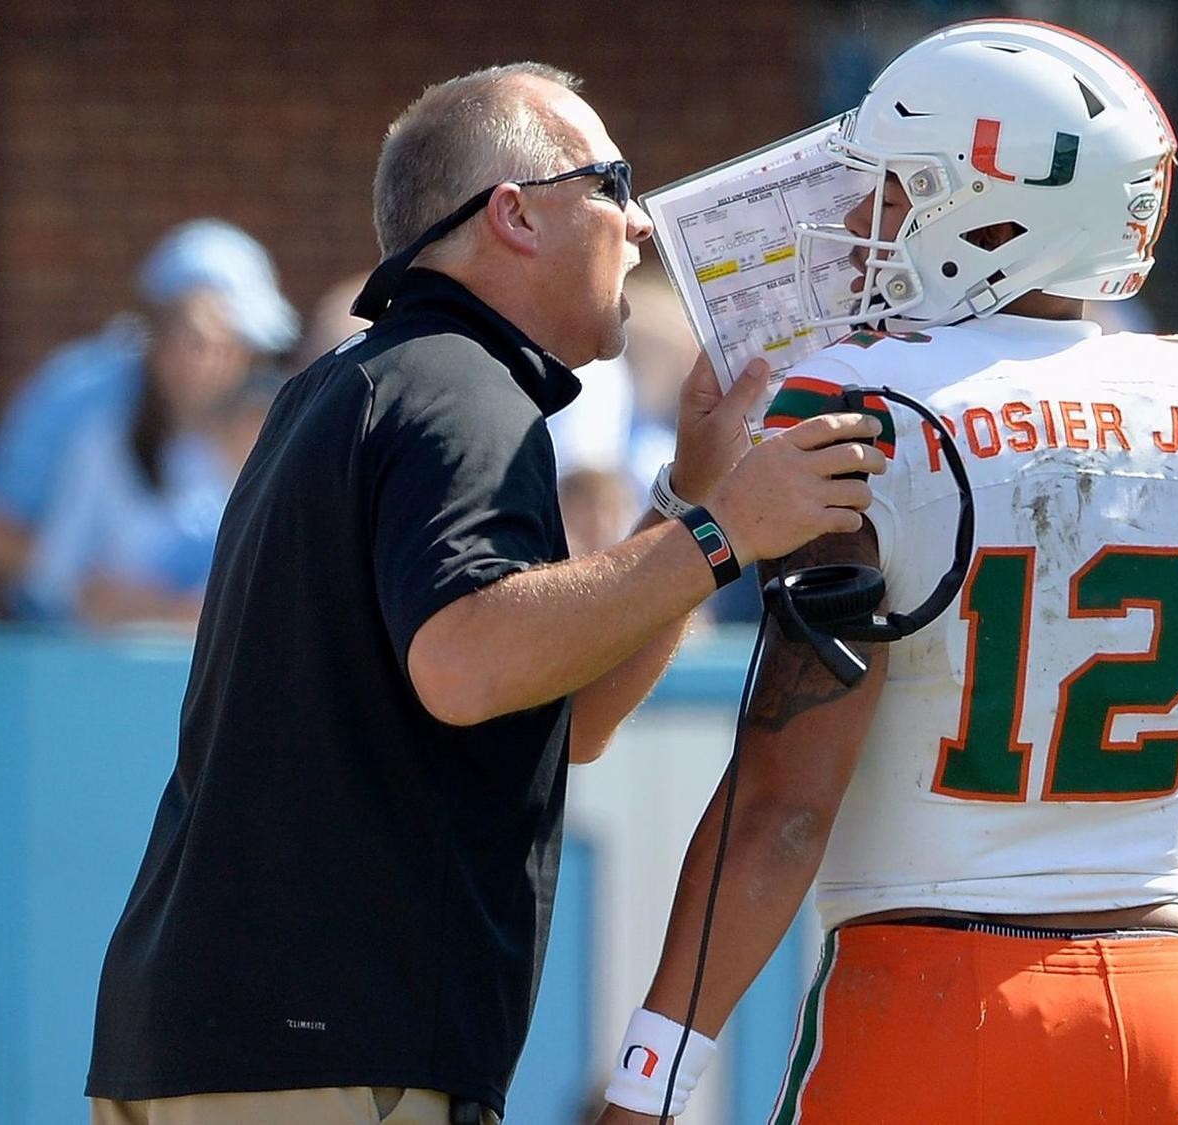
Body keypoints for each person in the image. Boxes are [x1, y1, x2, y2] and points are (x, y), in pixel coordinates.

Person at [86, 62, 883, 1125]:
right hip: (324, 1057)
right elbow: (467, 663)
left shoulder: (367, 381)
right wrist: (725, 530)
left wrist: (689, 491)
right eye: (609, 182)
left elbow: (567, 717)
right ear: (511, 214)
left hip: (218, 1047)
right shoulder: (459, 386)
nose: (637, 224)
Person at [598, 22, 1178, 1125]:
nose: (862, 221)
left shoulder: (862, 408)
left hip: (934, 1002)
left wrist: (650, 1080)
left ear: (997, 208)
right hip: (1168, 1010)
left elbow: (782, 812)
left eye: (897, 189)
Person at [0, 220, 296, 606]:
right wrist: (95, 592)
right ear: (157, 330)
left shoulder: (256, 418)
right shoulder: (85, 403)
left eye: (231, 343)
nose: (206, 361)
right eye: (190, 337)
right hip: (68, 656)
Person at [18, 290, 258, 626]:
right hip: (113, 666)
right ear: (156, 352)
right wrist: (133, 603)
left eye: (223, 348)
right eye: (191, 344)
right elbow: (53, 574)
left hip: (213, 668)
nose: (204, 362)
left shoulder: (259, 451)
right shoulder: (102, 447)